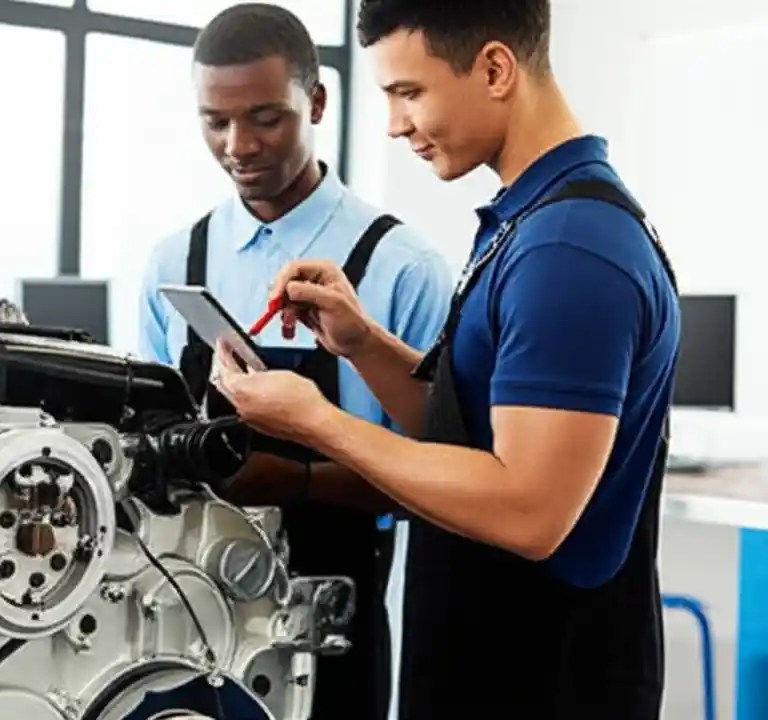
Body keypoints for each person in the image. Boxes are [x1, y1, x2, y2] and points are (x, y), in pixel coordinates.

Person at [211, 1, 681, 718]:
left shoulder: (571, 248)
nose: (396, 124)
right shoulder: (529, 220)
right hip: (483, 664)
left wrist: (316, 423)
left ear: (494, 68)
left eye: (409, 93)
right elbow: (469, 425)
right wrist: (362, 344)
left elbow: (528, 508)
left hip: (544, 682)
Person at [137, 4, 453, 719]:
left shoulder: (401, 267)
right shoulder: (173, 262)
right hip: (185, 606)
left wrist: (298, 482)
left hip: (333, 604)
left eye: (265, 118)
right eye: (214, 122)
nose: (237, 144)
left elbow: (441, 478)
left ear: (315, 102)